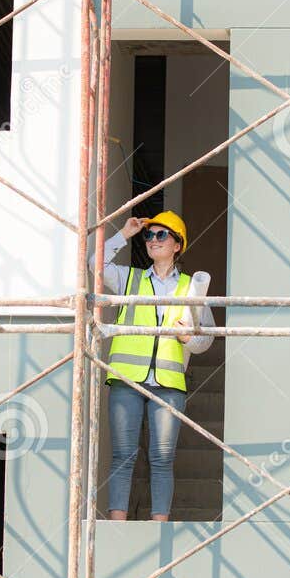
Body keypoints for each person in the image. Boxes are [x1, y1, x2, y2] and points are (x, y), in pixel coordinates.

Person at [92, 210, 215, 521]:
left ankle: (159, 526)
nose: (153, 240)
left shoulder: (191, 288)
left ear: (177, 245)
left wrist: (188, 339)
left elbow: (206, 340)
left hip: (169, 383)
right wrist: (125, 234)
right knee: (123, 456)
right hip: (126, 380)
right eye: (150, 235)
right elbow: (95, 265)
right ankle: (118, 525)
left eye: (162, 235)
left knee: (162, 459)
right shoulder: (129, 279)